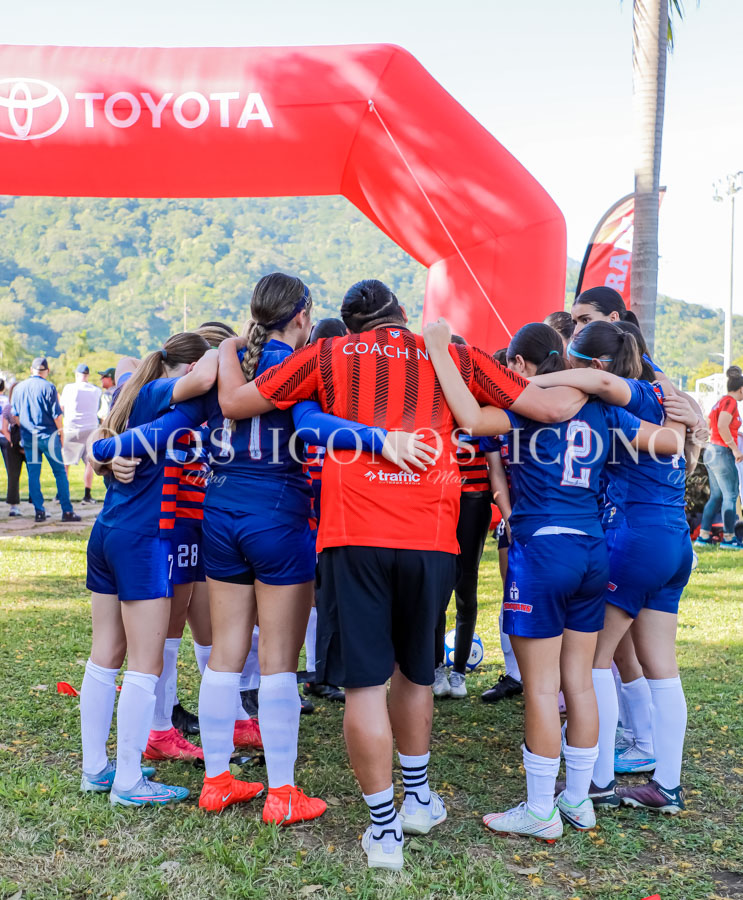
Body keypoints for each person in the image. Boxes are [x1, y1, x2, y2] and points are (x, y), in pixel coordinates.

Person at [218, 279, 589, 868]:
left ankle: (384, 831)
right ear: (399, 315)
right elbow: (546, 407)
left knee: (363, 686)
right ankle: (417, 799)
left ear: (345, 322)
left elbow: (236, 405)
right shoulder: (452, 354)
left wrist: (221, 355)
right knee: (415, 673)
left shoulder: (327, 355)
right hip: (430, 538)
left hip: (351, 536)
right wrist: (598, 377)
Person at [424, 318, 687, 840]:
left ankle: (541, 810)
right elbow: (666, 443)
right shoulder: (602, 407)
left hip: (542, 550)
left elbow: (470, 418)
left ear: (523, 364)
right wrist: (683, 417)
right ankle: (578, 799)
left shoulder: (524, 406)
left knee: (542, 689)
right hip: (593, 550)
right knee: (584, 678)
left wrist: (438, 351)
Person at [197, 275, 413, 825]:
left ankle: (217, 781)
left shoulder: (229, 353)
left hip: (219, 511)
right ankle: (282, 792)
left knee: (224, 656)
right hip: (278, 517)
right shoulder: (304, 363)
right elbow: (314, 425)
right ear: (303, 315)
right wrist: (378, 437)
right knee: (277, 664)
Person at [532, 320, 698, 814]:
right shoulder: (663, 393)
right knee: (661, 668)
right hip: (673, 539)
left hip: (634, 535)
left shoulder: (631, 396)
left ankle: (599, 778)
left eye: (574, 366)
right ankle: (666, 785)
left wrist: (536, 382)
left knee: (592, 662)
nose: (570, 374)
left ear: (596, 365)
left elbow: (603, 383)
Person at [81, 332, 218, 807]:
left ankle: (96, 768)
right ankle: (128, 782)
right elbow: (197, 383)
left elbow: (100, 445)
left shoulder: (130, 395)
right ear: (188, 370)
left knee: (105, 654)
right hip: (144, 541)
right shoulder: (167, 398)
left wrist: (101, 452)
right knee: (145, 661)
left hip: (109, 531)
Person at [433, 338, 505, 700]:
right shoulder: (431, 400)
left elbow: (494, 462)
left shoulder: (482, 402)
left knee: (467, 583)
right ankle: (434, 666)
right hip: (439, 499)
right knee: (435, 583)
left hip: (473, 502)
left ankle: (458, 671)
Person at [11, 357, 80, 523]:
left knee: (33, 474)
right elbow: (57, 416)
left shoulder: (19, 388)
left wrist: (26, 427)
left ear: (31, 369)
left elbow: (15, 416)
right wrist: (61, 435)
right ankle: (67, 511)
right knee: (59, 473)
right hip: (49, 437)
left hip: (29, 438)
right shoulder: (49, 387)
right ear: (47, 371)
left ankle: (39, 511)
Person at [695, 366, 743, 549]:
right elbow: (723, 426)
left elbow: (711, 424)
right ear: (741, 389)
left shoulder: (720, 400)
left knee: (716, 496)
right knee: (731, 495)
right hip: (722, 452)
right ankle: (729, 539)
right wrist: (735, 450)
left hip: (711, 450)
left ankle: (703, 537)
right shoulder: (731, 402)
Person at [61, 364, 102, 504]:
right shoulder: (96, 390)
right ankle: (87, 494)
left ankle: (62, 493)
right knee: (89, 463)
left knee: (66, 463)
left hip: (72, 427)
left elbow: (62, 407)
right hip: (90, 427)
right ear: (88, 375)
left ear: (77, 374)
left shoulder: (69, 388)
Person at [570, 286, 639, 334]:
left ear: (613, 318)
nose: (576, 331)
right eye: (575, 323)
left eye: (585, 320)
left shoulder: (633, 355)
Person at [1, 380, 24, 517]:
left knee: (13, 474)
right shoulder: (25, 406)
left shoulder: (8, 407)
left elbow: (4, 429)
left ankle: (13, 506)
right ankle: (38, 505)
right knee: (33, 473)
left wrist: (12, 442)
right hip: (26, 440)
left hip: (13, 440)